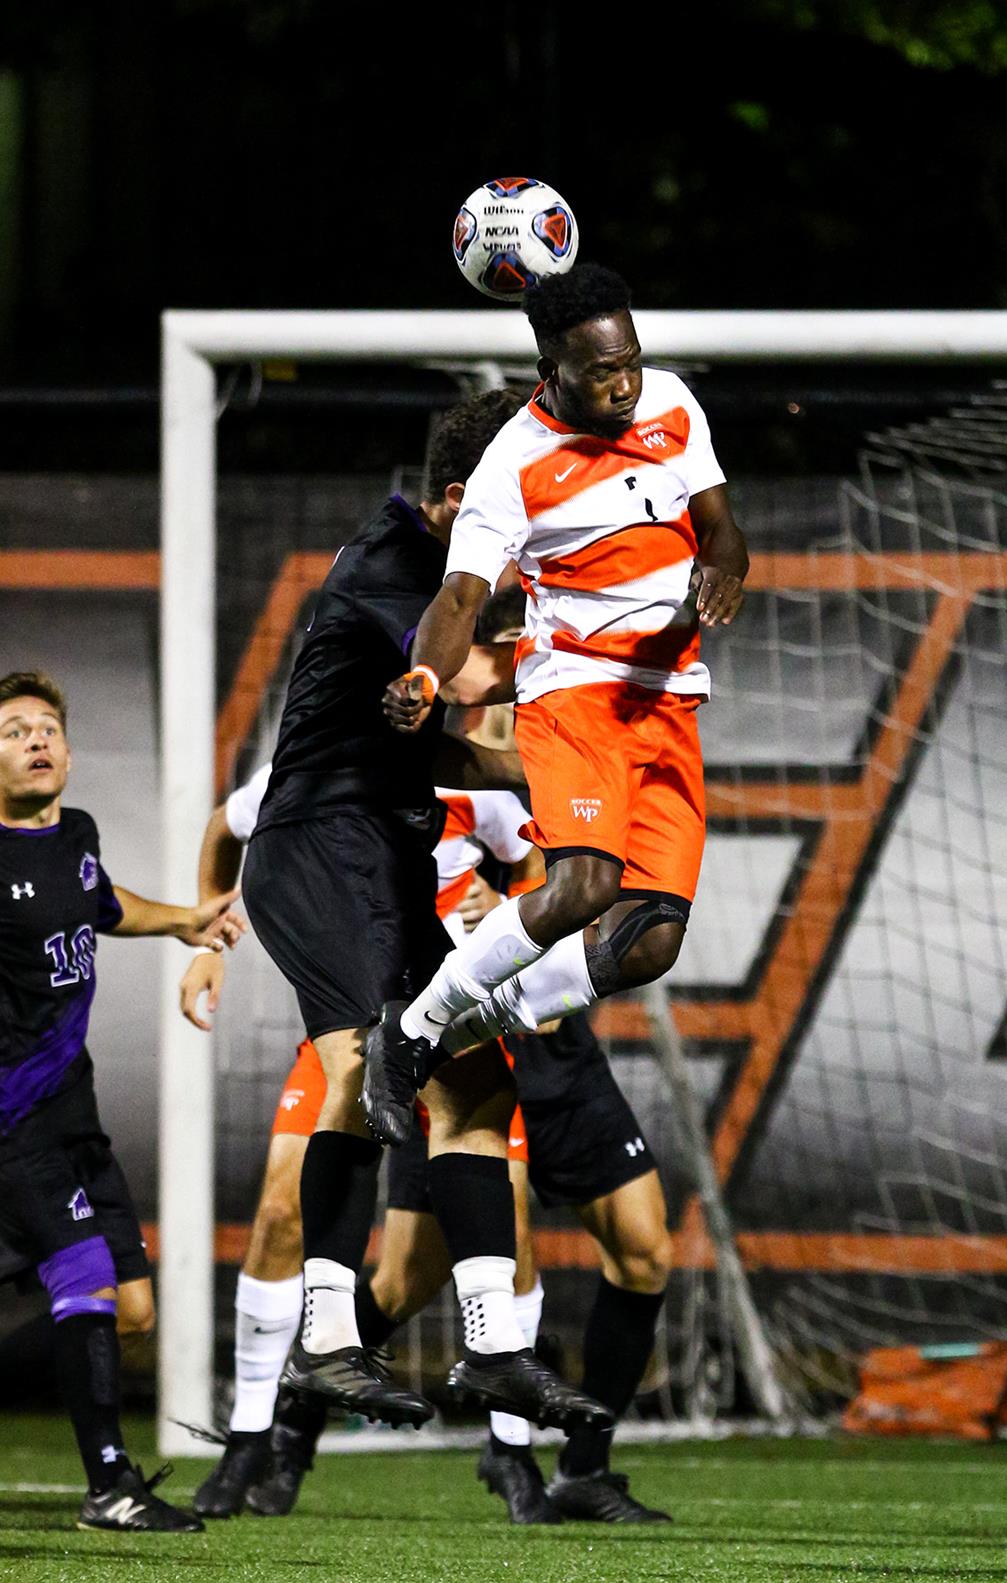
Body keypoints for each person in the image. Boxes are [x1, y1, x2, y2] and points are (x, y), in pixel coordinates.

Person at [237, 390, 608, 1439]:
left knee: (475, 1083)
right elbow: (445, 670)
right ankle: (323, 1339)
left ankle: (491, 1349)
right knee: (370, 1064)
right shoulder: (392, 566)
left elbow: (422, 738)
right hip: (321, 845)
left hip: (377, 849)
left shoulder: (435, 567)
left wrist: (519, 768)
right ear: (457, 496)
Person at [367, 261, 748, 1146]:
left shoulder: (672, 404)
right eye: (602, 372)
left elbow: (721, 525)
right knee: (586, 886)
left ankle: (448, 1029)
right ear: (553, 368)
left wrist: (727, 565)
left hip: (668, 699)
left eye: (631, 362)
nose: (625, 385)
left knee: (650, 940)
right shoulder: (513, 465)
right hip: (575, 691)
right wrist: (426, 678)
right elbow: (460, 598)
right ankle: (416, 1027)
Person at [179, 762, 541, 1519]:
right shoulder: (308, 766)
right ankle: (254, 1440)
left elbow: (537, 860)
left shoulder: (473, 783)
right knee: (279, 1215)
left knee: (426, 1272)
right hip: (351, 1028)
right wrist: (209, 940)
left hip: (453, 1032)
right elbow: (224, 826)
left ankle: (510, 1452)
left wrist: (507, 906)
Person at [0, 670, 245, 1533]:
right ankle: (110, 1485)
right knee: (86, 1282)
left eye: (47, 728)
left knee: (131, 1313)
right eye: (14, 731)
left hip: (76, 1112)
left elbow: (104, 903)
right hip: (13, 1119)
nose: (36, 739)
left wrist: (183, 919)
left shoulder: (78, 835)